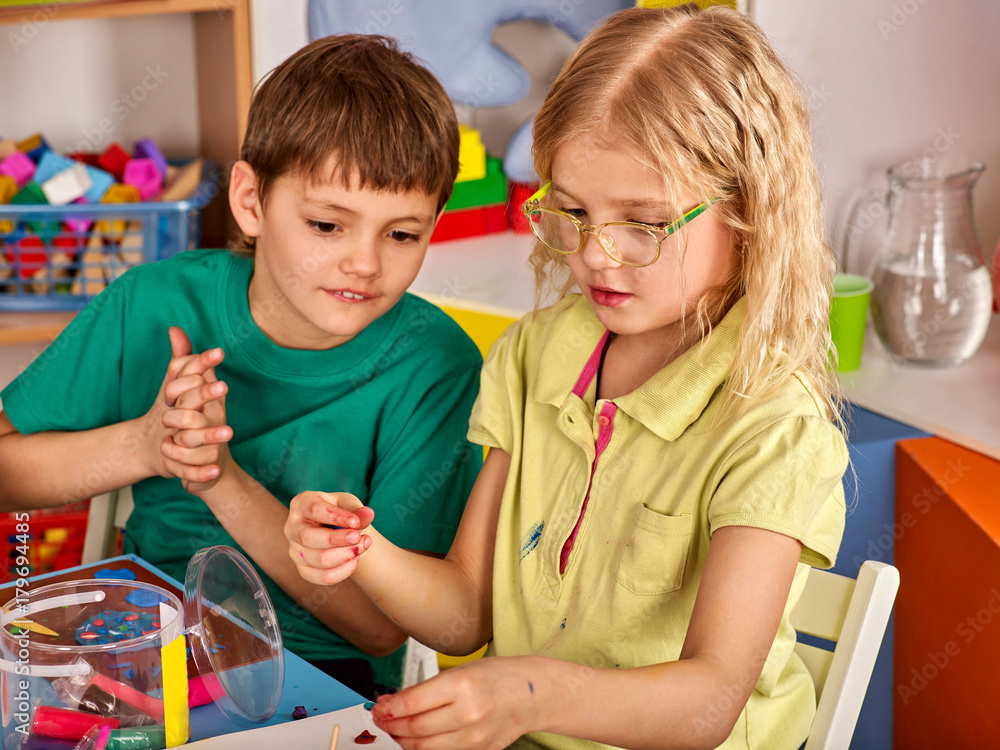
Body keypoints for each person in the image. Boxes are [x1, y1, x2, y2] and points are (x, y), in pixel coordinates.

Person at [285, 5, 848, 749]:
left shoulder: (774, 425)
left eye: (643, 224)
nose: (597, 255)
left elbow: (709, 702)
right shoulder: (534, 356)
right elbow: (465, 615)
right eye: (573, 211)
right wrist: (361, 553)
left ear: (749, 212)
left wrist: (530, 694)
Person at [0, 34, 483, 699]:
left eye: (402, 234)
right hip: (138, 642)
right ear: (252, 202)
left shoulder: (437, 366)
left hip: (318, 674)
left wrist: (221, 480)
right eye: (326, 225)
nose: (366, 263)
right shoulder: (151, 303)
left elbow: (378, 632)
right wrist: (147, 445)